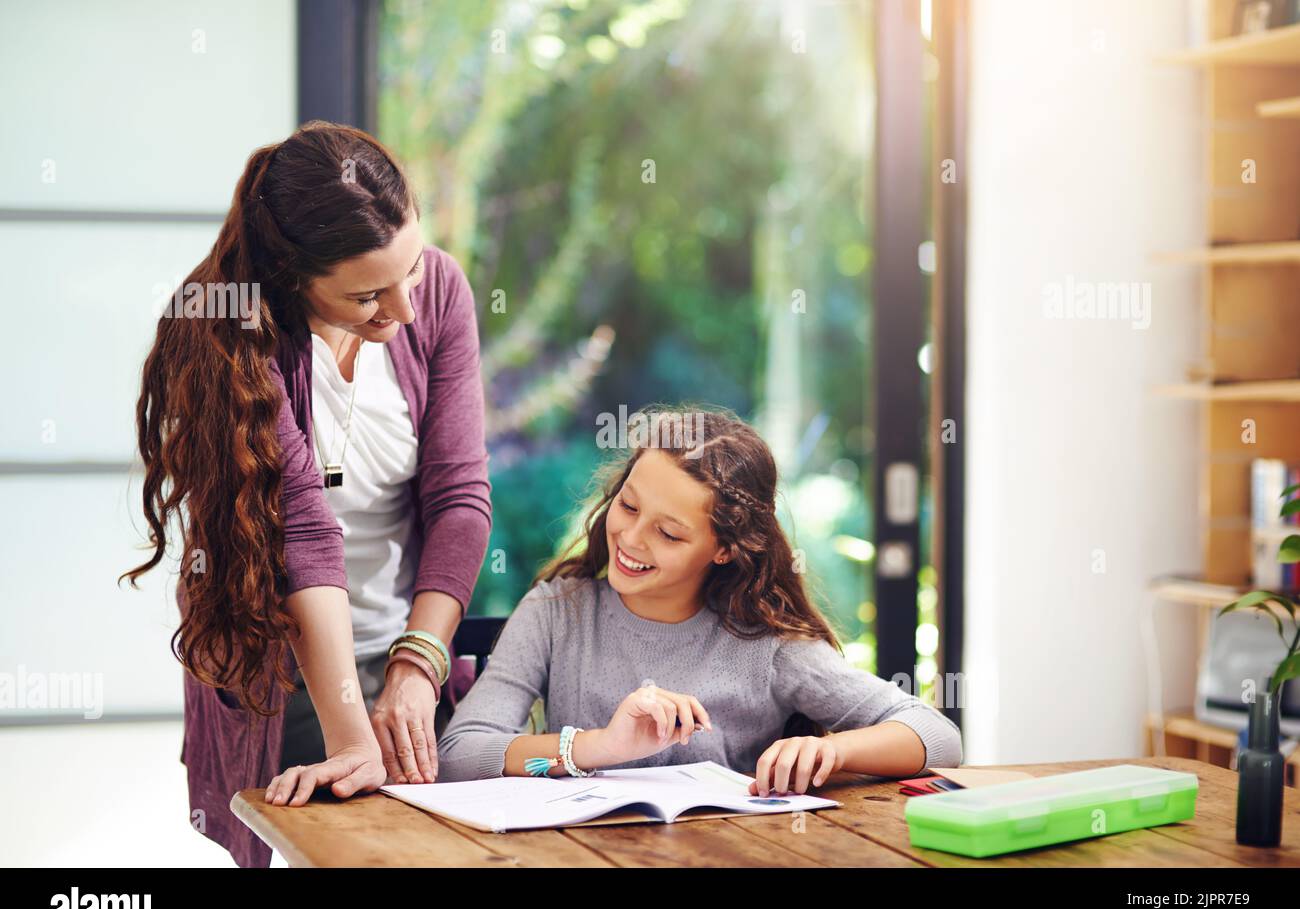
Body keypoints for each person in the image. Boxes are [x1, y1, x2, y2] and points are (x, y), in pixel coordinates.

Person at [121, 121, 492, 867]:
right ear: (295, 277)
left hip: (406, 647)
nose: (404, 311)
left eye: (410, 272)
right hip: (281, 664)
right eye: (367, 295)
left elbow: (460, 496)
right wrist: (351, 732)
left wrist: (417, 664)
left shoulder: (442, 292)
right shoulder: (226, 335)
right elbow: (303, 534)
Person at [438, 406, 960, 794]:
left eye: (669, 533)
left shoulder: (766, 644)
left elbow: (938, 737)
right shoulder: (557, 612)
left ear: (724, 549)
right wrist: (601, 746)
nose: (633, 539)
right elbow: (459, 755)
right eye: (629, 505)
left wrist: (830, 749)